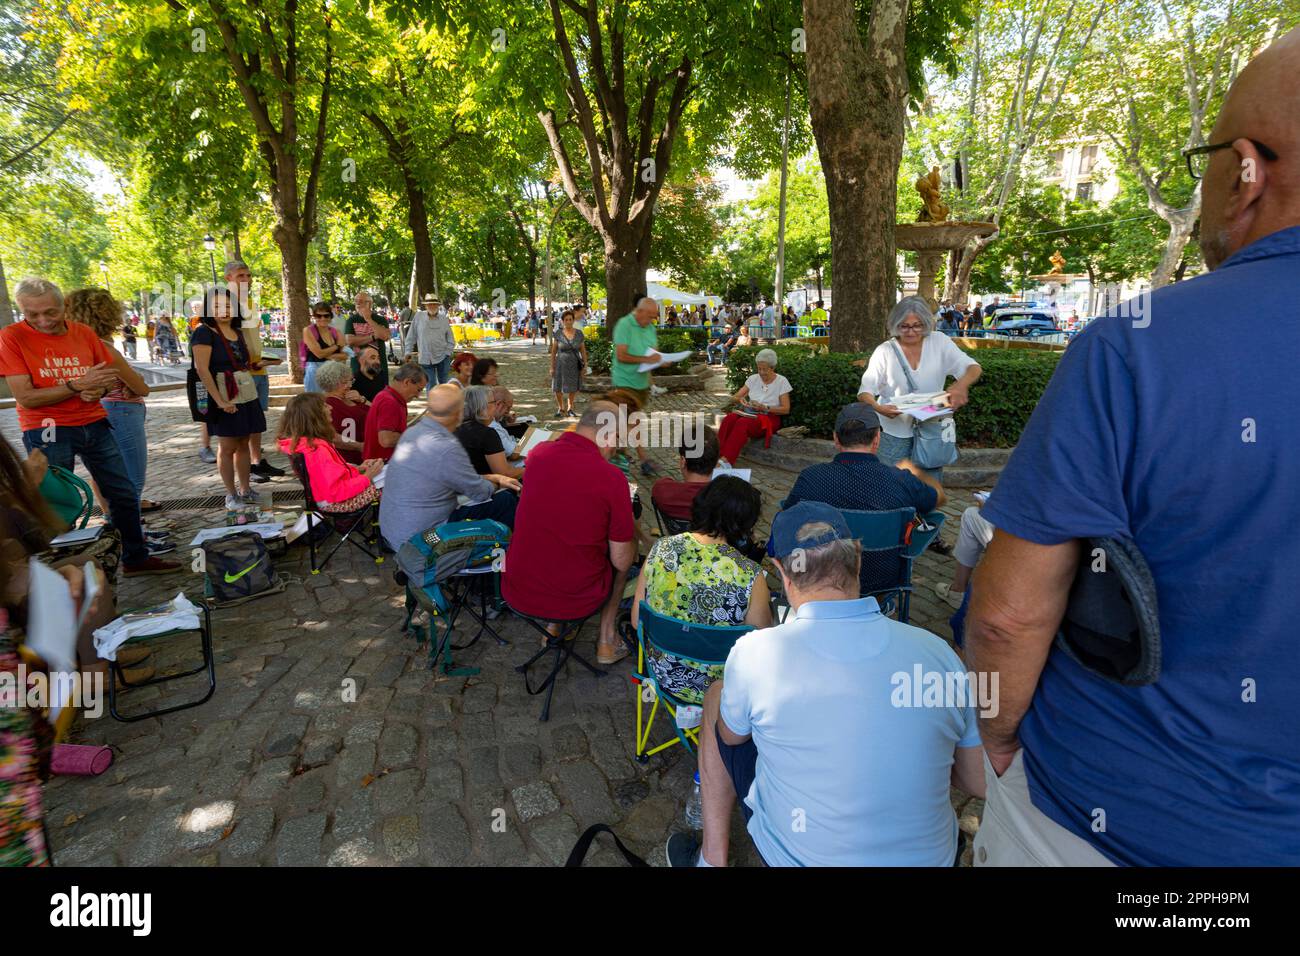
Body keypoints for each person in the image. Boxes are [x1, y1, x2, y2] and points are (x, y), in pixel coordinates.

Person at [966, 27, 1300, 868]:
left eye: (1212, 155)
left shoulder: (1136, 349)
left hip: (1102, 819)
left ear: (1250, 168)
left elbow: (1007, 615)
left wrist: (993, 738)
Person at [666, 501, 985, 867]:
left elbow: (733, 738)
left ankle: (712, 859)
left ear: (782, 573)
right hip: (933, 860)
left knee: (717, 695)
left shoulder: (755, 654)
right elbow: (978, 781)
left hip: (794, 857)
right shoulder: (939, 654)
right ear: (859, 558)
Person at [0, 277, 178, 576]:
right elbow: (26, 397)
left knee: (122, 492)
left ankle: (135, 557)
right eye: (33, 315)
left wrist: (97, 391)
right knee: (55, 501)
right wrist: (76, 386)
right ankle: (60, 569)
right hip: (47, 427)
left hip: (94, 421)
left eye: (51, 312)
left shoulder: (83, 333)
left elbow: (107, 381)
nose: (43, 321)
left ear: (64, 306)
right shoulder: (12, 337)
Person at [502, 401, 636, 663]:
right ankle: (607, 640)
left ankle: (553, 628)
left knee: (551, 536)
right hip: (574, 596)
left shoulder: (539, 454)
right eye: (617, 439)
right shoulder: (611, 477)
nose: (616, 448)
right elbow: (620, 560)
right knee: (624, 560)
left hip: (517, 585)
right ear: (608, 434)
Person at [784, 402, 947, 598]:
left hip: (821, 577)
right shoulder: (901, 480)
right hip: (882, 580)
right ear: (877, 439)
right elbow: (939, 497)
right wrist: (915, 471)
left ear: (836, 439)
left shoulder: (811, 477)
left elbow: (787, 519)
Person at [632, 475, 772, 701]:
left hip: (662, 676)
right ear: (746, 524)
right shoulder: (750, 574)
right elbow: (760, 645)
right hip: (721, 689)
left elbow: (636, 619)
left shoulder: (661, 548)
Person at [66, 288, 167, 530]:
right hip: (121, 410)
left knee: (106, 473)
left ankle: (118, 525)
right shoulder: (104, 347)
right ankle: (132, 534)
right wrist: (134, 383)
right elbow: (141, 387)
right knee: (131, 477)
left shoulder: (77, 345)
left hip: (100, 410)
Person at [856, 295, 982, 482]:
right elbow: (865, 391)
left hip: (931, 428)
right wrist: (878, 407)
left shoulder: (939, 342)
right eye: (904, 326)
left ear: (926, 323)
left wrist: (960, 386)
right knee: (891, 484)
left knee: (929, 487)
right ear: (895, 325)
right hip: (894, 431)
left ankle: (925, 512)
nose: (911, 331)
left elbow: (973, 367)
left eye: (917, 325)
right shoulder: (885, 350)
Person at [379, 384, 521, 550]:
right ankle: (502, 558)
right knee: (505, 501)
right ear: (459, 412)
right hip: (421, 534)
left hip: (393, 526)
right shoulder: (447, 447)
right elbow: (480, 492)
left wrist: (493, 477)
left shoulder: (413, 433)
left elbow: (450, 479)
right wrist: (497, 481)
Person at [191, 286, 268, 512]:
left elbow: (239, 363)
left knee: (244, 441)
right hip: (223, 394)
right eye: (217, 306)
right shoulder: (204, 332)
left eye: (227, 306)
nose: (223, 311)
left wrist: (258, 365)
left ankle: (245, 489)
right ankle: (231, 494)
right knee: (227, 446)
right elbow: (202, 370)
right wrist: (220, 402)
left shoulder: (237, 331)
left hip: (244, 391)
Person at [225, 260, 283, 484]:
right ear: (229, 278)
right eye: (241, 276)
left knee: (257, 419)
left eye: (248, 276)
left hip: (258, 367)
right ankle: (246, 467)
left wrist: (265, 359)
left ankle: (257, 461)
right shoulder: (226, 303)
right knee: (244, 422)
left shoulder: (248, 301)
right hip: (242, 371)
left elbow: (251, 336)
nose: (246, 280)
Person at [277, 393, 383, 513]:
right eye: (325, 405)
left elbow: (333, 475)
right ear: (315, 415)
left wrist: (358, 470)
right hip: (336, 502)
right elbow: (336, 492)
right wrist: (367, 476)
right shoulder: (316, 449)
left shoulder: (305, 443)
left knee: (386, 476)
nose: (331, 407)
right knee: (392, 481)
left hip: (326, 499)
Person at [612, 296, 677, 476]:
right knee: (633, 421)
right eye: (649, 316)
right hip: (624, 382)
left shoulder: (650, 328)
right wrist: (648, 359)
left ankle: (620, 454)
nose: (652, 320)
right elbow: (621, 356)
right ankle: (642, 460)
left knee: (627, 422)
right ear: (639, 312)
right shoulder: (624, 325)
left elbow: (653, 354)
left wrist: (662, 360)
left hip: (641, 384)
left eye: (654, 317)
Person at [717, 347, 791, 466]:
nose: (761, 372)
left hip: (769, 418)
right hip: (750, 413)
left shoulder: (782, 381)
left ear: (773, 368)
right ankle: (718, 455)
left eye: (764, 369)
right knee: (729, 419)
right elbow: (734, 397)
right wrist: (741, 399)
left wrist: (765, 407)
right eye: (759, 368)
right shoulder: (753, 379)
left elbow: (786, 409)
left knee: (742, 423)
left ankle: (726, 461)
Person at [651, 426, 720, 523]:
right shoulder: (729, 500)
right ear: (717, 464)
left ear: (683, 461)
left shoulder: (662, 490)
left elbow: (663, 483)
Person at [455, 385, 524, 481]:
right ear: (482, 406)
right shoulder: (487, 434)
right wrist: (531, 469)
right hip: (484, 489)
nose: (496, 406)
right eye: (493, 402)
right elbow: (505, 473)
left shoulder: (455, 428)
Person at [361, 362, 425, 463]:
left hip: (380, 463)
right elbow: (386, 440)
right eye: (419, 389)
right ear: (407, 382)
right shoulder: (389, 402)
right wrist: (414, 435)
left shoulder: (389, 396)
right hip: (381, 466)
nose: (418, 395)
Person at [316, 358, 369, 465]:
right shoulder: (327, 405)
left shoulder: (352, 396)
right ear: (332, 383)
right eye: (344, 382)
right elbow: (332, 437)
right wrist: (359, 446)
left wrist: (363, 400)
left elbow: (377, 412)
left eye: (350, 381)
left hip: (366, 454)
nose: (349, 385)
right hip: (349, 460)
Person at [405, 294, 456, 388]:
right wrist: (407, 352)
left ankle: (445, 402)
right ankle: (433, 402)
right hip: (425, 357)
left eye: (434, 304)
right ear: (425, 306)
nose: (432, 306)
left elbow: (451, 338)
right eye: (429, 304)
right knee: (430, 384)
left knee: (444, 384)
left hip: (443, 357)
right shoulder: (419, 317)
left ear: (438, 305)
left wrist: (447, 353)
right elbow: (411, 336)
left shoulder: (443, 318)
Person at [345, 291, 391, 389]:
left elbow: (385, 336)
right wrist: (373, 337)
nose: (357, 303)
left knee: (380, 396)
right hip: (358, 367)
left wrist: (368, 319)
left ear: (369, 303)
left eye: (361, 301)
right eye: (356, 301)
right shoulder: (351, 320)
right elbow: (350, 341)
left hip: (378, 366)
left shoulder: (380, 320)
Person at [302, 300, 348, 394]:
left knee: (333, 404)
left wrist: (326, 355)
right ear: (314, 317)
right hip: (315, 374)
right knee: (315, 405)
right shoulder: (308, 331)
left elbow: (345, 356)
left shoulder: (336, 332)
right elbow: (319, 354)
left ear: (330, 316)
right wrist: (337, 346)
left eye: (326, 315)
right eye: (319, 316)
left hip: (334, 373)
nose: (322, 318)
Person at [549, 308, 587, 417]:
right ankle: (561, 408)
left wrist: (585, 364)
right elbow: (553, 351)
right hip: (560, 363)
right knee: (557, 386)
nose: (568, 322)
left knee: (573, 386)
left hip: (574, 363)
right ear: (562, 321)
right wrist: (552, 367)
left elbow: (583, 351)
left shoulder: (579, 334)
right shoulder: (558, 334)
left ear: (573, 320)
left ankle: (570, 408)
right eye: (566, 320)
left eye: (570, 319)